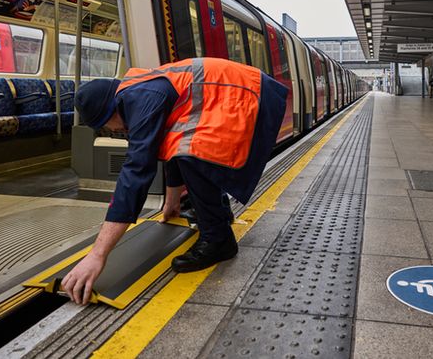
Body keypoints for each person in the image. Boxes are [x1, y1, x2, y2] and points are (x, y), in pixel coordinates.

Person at [62, 57, 288, 305]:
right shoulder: (135, 90)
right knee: (186, 148)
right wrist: (171, 201)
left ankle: (218, 240)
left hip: (248, 97)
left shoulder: (141, 101)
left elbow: (136, 174)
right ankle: (218, 216)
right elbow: (172, 144)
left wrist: (98, 254)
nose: (115, 131)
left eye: (108, 126)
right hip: (249, 92)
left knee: (195, 153)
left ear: (111, 110)